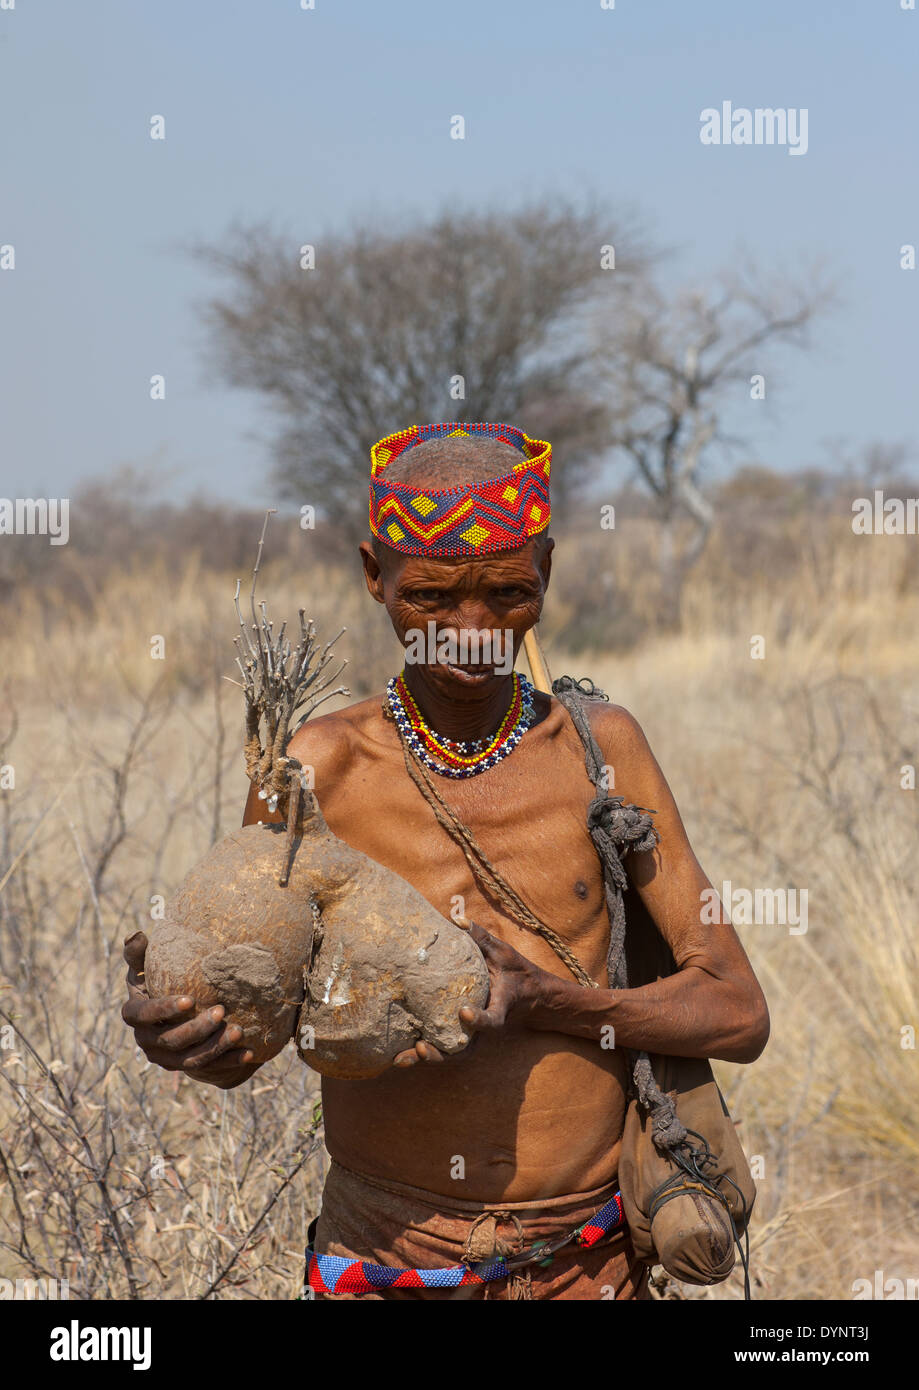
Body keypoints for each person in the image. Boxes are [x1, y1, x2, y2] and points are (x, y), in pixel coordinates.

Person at [123, 421, 769, 1300]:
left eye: (507, 592)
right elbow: (252, 1044)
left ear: (546, 569)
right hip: (385, 1252)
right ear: (372, 575)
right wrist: (193, 1031)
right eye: (429, 599)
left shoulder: (602, 751)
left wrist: (555, 1003)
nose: (469, 633)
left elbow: (735, 1012)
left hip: (586, 1257)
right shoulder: (318, 769)